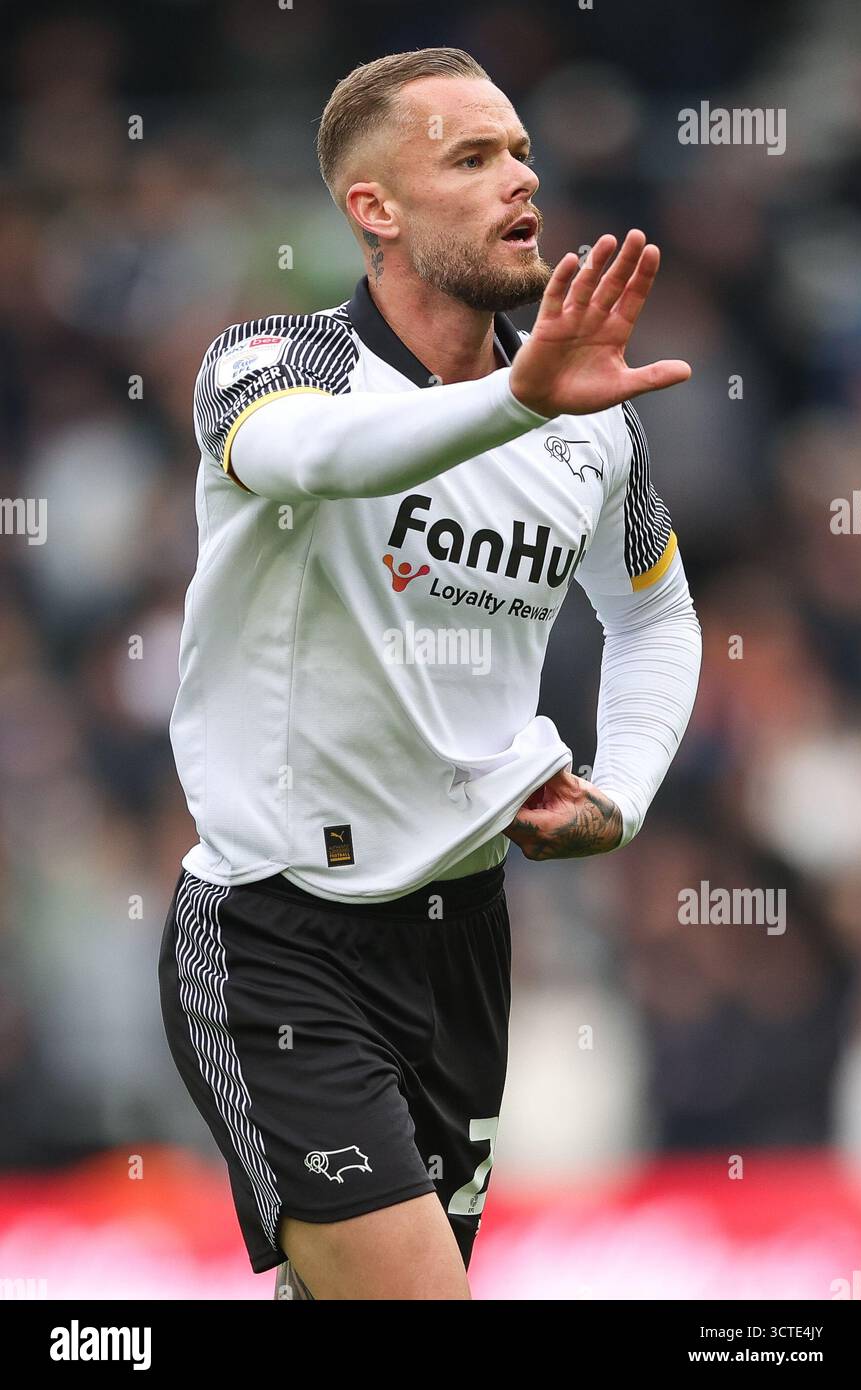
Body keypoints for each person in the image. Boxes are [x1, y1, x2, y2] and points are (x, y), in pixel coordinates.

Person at [158, 46, 702, 1300]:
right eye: (472, 157)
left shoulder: (593, 421)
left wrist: (622, 792)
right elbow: (333, 459)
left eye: (519, 151)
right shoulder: (270, 363)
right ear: (374, 210)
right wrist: (523, 398)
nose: (522, 179)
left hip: (463, 939)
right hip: (275, 934)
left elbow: (659, 617)